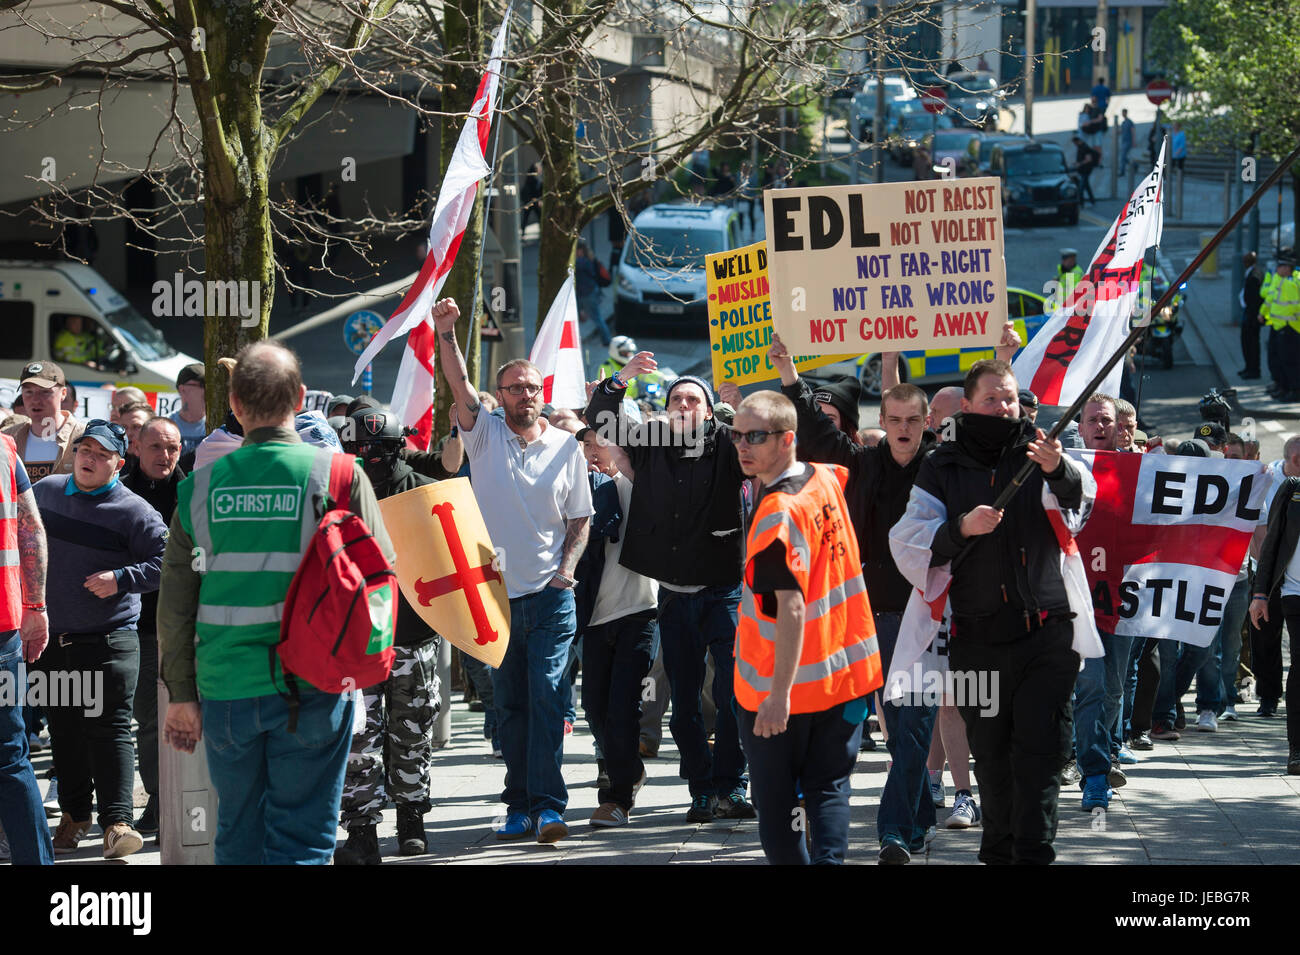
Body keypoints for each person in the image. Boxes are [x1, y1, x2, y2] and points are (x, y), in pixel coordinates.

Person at [157, 341, 395, 864]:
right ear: (302, 398)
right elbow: (382, 577)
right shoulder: (340, 476)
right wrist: (362, 671)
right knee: (304, 839)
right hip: (316, 686)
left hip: (225, 689)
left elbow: (175, 603)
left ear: (236, 404)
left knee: (237, 833)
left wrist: (180, 694)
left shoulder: (197, 489)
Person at [891, 359, 1098, 865]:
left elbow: (1082, 502)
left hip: (1048, 632)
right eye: (991, 399)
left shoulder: (1041, 451)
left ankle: (1034, 851)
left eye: (1008, 398)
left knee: (1041, 750)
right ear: (967, 405)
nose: (1003, 407)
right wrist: (961, 527)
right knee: (994, 754)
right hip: (976, 640)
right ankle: (998, 850)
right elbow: (910, 540)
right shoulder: (942, 464)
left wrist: (1058, 469)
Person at [430, 298, 592, 843]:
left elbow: (580, 520)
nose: (526, 395)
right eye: (516, 388)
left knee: (547, 696)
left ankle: (549, 806)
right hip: (495, 598)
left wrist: (564, 573)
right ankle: (518, 805)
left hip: (551, 599)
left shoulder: (567, 447)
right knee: (510, 707)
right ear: (499, 398)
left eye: (533, 387)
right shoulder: (485, 435)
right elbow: (456, 383)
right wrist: (447, 333)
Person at [586, 354, 756, 823]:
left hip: (724, 591)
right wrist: (622, 378)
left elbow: (772, 445)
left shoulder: (729, 443)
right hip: (675, 596)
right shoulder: (649, 441)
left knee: (733, 695)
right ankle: (701, 789)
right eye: (676, 398)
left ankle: (732, 786)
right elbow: (600, 416)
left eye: (693, 399)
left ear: (706, 410)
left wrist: (741, 409)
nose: (684, 404)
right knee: (683, 704)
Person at [731, 391, 882, 864]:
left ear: (787, 439)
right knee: (828, 790)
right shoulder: (823, 479)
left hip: (785, 692)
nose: (742, 446)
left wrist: (778, 696)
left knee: (777, 808)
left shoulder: (777, 514)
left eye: (756, 436)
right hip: (846, 676)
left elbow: (791, 608)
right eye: (737, 435)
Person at [32, 420, 168, 859]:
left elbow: (170, 561)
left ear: (118, 463)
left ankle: (117, 823)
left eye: (101, 454)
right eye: (83, 450)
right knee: (63, 728)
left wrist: (122, 578)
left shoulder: (134, 511)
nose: (89, 459)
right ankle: (74, 814)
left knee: (109, 732)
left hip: (109, 641)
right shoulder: (46, 492)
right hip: (51, 639)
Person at [334, 408, 443, 863]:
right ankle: (360, 830)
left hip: (413, 636)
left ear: (399, 447)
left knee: (411, 734)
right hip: (358, 639)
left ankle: (412, 817)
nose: (369, 457)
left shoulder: (425, 494)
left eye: (379, 449)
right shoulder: (335, 497)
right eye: (359, 449)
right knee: (359, 739)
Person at [577, 426, 658, 827]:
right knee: (594, 708)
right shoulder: (577, 491)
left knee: (622, 709)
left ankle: (616, 797)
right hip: (591, 620)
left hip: (637, 614)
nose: (592, 451)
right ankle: (631, 771)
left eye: (599, 442)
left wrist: (609, 405)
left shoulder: (632, 485)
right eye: (586, 444)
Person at [120, 415, 184, 839]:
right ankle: (158, 800)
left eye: (173, 448)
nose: (164, 456)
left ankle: (186, 798)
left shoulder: (195, 491)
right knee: (146, 718)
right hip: (139, 624)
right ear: (137, 448)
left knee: (187, 714)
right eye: (156, 447)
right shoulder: (119, 491)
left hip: (185, 623)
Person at [1071, 394, 1134, 810]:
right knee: (1090, 684)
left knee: (1113, 687)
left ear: (1119, 426)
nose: (1099, 426)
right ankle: (1093, 774)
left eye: (1106, 420)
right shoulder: (1068, 469)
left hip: (1125, 601)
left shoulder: (1143, 471)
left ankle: (1096, 749)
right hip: (1078, 600)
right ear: (1080, 426)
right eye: (1092, 419)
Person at [0, 425, 55, 865]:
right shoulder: (4, 449)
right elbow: (30, 527)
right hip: (4, 625)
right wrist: (35, 606)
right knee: (10, 755)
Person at [1249, 462, 1300, 774]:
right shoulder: (1292, 489)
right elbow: (1271, 544)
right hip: (1294, 594)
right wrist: (1260, 594)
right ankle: (1297, 749)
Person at [3, 361, 86, 481]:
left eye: (45, 392)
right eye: (28, 392)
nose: (35, 400)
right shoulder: (7, 438)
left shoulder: (85, 437)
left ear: (63, 393)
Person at [1262, 249, 1300, 401]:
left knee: (1290, 362)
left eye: (1280, 266)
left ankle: (1294, 391)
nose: (1277, 269)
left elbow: (1295, 307)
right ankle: (1284, 388)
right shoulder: (1282, 280)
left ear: (1287, 268)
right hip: (1282, 326)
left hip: (1289, 327)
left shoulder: (1291, 283)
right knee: (1282, 360)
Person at [574, 240, 613, 347]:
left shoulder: (582, 262)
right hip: (589, 292)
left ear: (580, 250)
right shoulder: (590, 260)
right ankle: (606, 339)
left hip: (587, 293)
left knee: (596, 318)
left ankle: (607, 340)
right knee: (595, 317)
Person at [170, 363, 207, 457]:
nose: (207, 389)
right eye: (201, 384)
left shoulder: (217, 426)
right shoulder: (165, 425)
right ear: (182, 390)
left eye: (208, 384)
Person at [1241, 251, 1265, 379]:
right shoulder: (1254, 272)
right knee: (1247, 342)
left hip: (1252, 315)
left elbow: (1254, 298)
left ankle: (1253, 370)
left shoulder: (1254, 276)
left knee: (1251, 343)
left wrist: (1252, 314)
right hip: (1250, 313)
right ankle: (1248, 367)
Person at [1071, 136, 1101, 205]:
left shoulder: (1085, 147)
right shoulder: (1081, 147)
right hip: (1083, 170)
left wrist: (1079, 164)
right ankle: (1092, 201)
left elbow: (1088, 159)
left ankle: (1081, 204)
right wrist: (1077, 163)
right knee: (1087, 186)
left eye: (1074, 143)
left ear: (1077, 141)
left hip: (1086, 170)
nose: (1074, 145)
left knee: (1081, 188)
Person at [1118, 108, 1134, 172]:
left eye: (1124, 113)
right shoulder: (1123, 122)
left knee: (1123, 156)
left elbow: (1133, 132)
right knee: (1124, 157)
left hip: (1128, 141)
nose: (1123, 114)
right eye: (1122, 113)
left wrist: (1133, 141)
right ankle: (1134, 165)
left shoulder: (1129, 122)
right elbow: (1121, 131)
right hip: (1123, 141)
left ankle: (1122, 171)